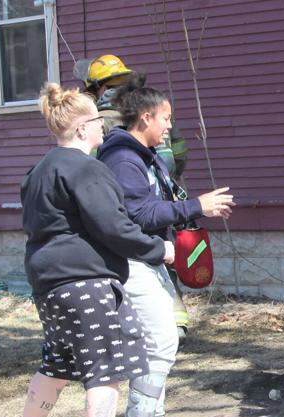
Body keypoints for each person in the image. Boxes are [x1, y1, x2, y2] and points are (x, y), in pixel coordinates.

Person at [0, 82, 176, 417]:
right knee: (106, 370)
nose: (104, 128)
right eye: (98, 121)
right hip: (86, 282)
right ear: (81, 128)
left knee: (56, 364)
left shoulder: (39, 170)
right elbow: (113, 227)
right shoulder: (86, 169)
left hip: (47, 283)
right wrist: (158, 249)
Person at [97, 75, 235, 417]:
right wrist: (196, 207)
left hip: (151, 257)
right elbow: (138, 213)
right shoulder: (124, 160)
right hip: (133, 261)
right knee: (159, 341)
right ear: (145, 117)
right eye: (166, 118)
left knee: (158, 340)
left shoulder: (143, 157)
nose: (170, 125)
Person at [80, 54, 193, 347]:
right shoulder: (152, 112)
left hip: (128, 206)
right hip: (162, 196)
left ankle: (141, 328)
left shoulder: (100, 121)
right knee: (164, 257)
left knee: (137, 261)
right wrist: (169, 180)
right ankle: (176, 322)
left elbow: (90, 168)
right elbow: (178, 152)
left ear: (98, 88)